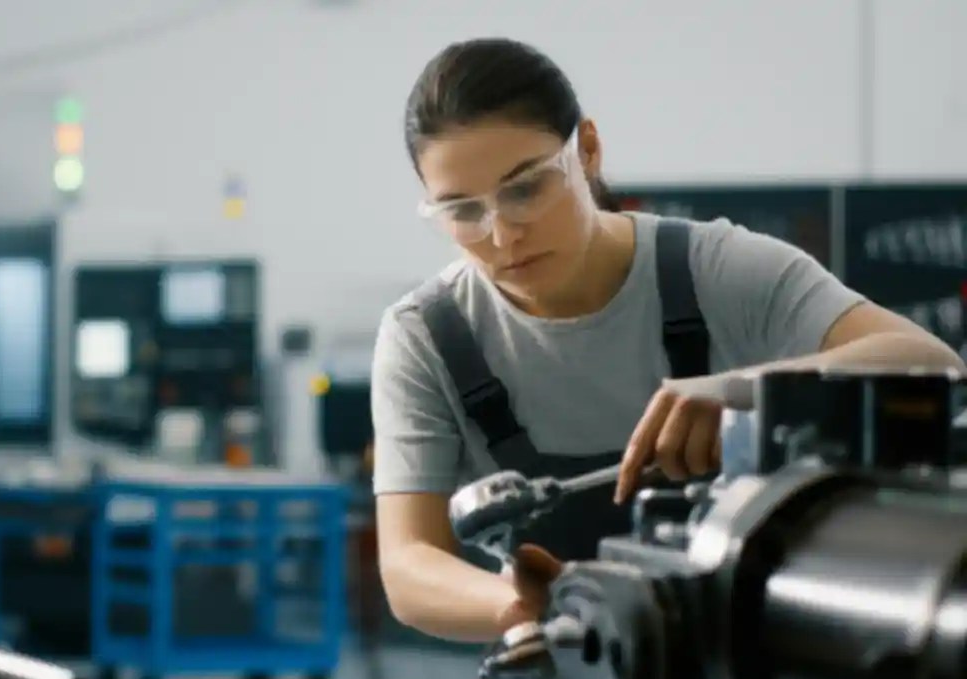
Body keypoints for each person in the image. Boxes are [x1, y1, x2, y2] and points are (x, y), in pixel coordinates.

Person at [370, 36, 966, 645]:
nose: (502, 236)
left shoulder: (716, 271)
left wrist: (750, 390)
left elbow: (932, 362)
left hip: (748, 662)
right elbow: (409, 563)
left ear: (589, 150)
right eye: (464, 211)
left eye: (526, 189)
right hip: (563, 659)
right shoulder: (428, 336)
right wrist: (527, 607)